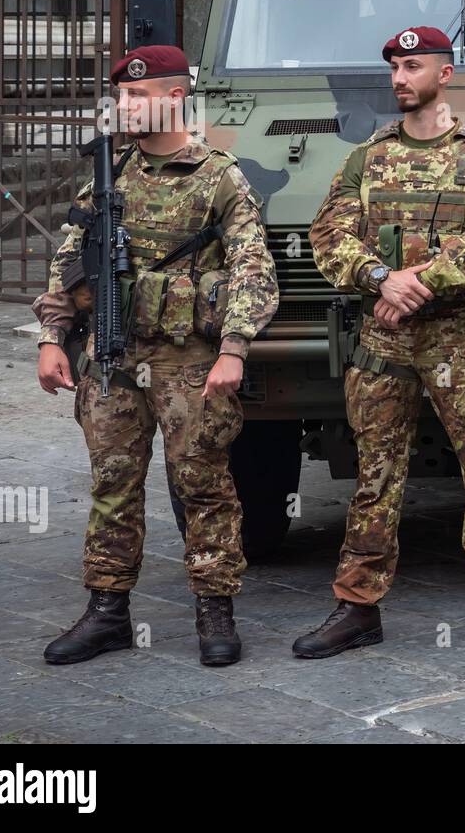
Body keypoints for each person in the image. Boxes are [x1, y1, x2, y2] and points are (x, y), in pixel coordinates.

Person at [34, 44, 279, 667]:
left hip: (188, 362)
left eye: (137, 96)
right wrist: (50, 339)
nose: (124, 105)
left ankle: (215, 609)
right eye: (120, 95)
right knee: (112, 486)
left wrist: (234, 349)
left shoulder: (219, 176)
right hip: (111, 360)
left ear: (174, 97)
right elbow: (70, 262)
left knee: (203, 486)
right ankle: (107, 612)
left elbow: (254, 269)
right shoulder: (108, 177)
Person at [297, 25, 465, 658]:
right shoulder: (365, 158)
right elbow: (328, 234)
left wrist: (412, 286)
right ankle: (357, 606)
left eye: (413, 66)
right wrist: (379, 278)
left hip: (460, 343)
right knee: (374, 476)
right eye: (394, 67)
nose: (400, 78)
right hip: (384, 346)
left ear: (445, 74)